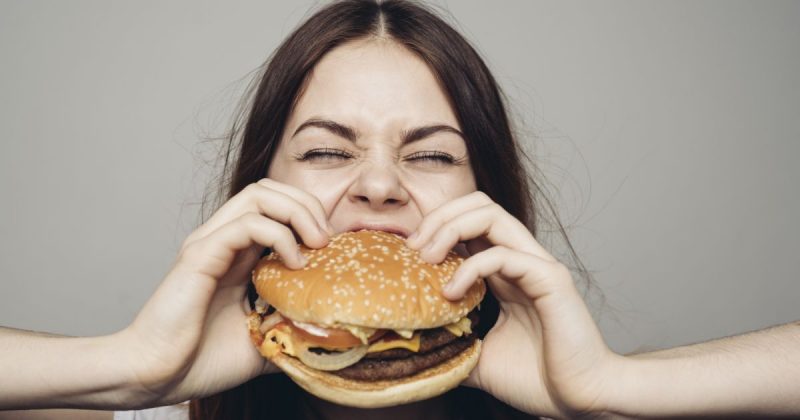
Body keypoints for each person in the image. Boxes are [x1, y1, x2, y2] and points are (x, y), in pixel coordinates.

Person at [1, 1, 799, 419]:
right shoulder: (150, 411)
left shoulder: (592, 406)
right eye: (324, 150)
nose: (379, 185)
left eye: (430, 154)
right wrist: (128, 368)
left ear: (491, 207)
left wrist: (613, 389)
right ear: (254, 193)